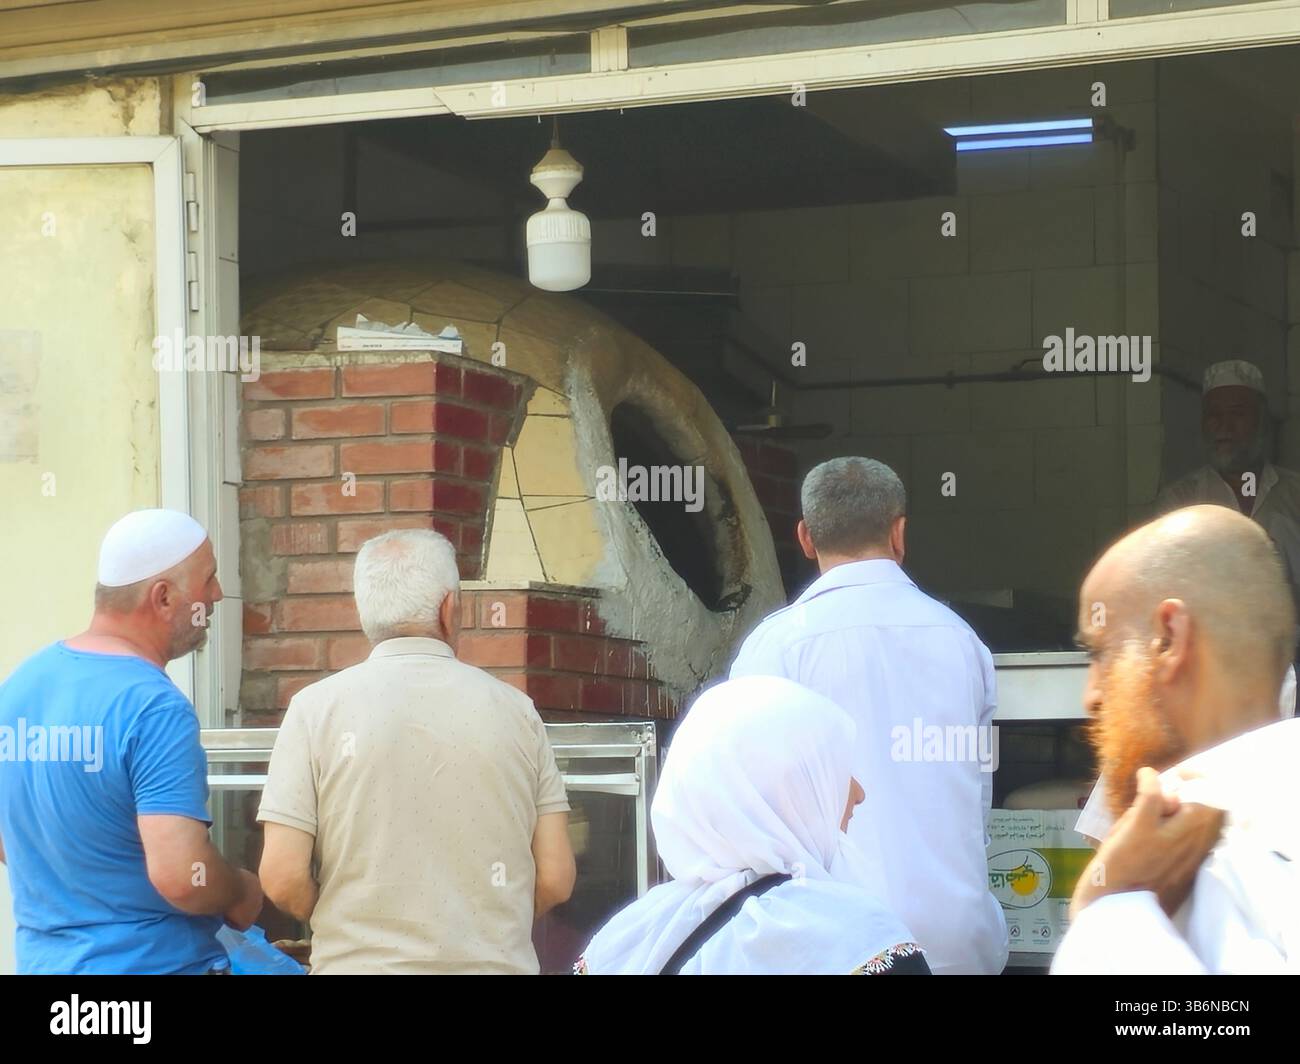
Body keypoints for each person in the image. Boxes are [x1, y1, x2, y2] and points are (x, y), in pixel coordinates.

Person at [730, 457, 1007, 975]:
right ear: (899, 534)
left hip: (835, 945)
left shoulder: (775, 645)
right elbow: (977, 798)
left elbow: (753, 810)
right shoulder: (962, 640)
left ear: (805, 538)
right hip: (957, 939)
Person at [257, 529, 575, 974]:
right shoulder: (518, 712)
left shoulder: (313, 710)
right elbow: (557, 878)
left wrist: (349, 925)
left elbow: (282, 876)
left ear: (366, 613)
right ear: (450, 610)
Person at [0, 509, 262, 974]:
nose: (217, 595)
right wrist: (240, 891)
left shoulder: (18, 689)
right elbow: (184, 877)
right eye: (209, 580)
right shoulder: (153, 707)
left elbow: (10, 840)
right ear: (162, 597)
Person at [1052, 505, 1300, 973]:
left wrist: (1105, 912)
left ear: (1169, 637)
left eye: (1101, 653)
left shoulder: (1250, 868)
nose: (1091, 696)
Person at [576, 675, 927, 975]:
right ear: (791, 789)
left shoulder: (628, 941)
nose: (858, 793)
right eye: (831, 772)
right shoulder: (854, 938)